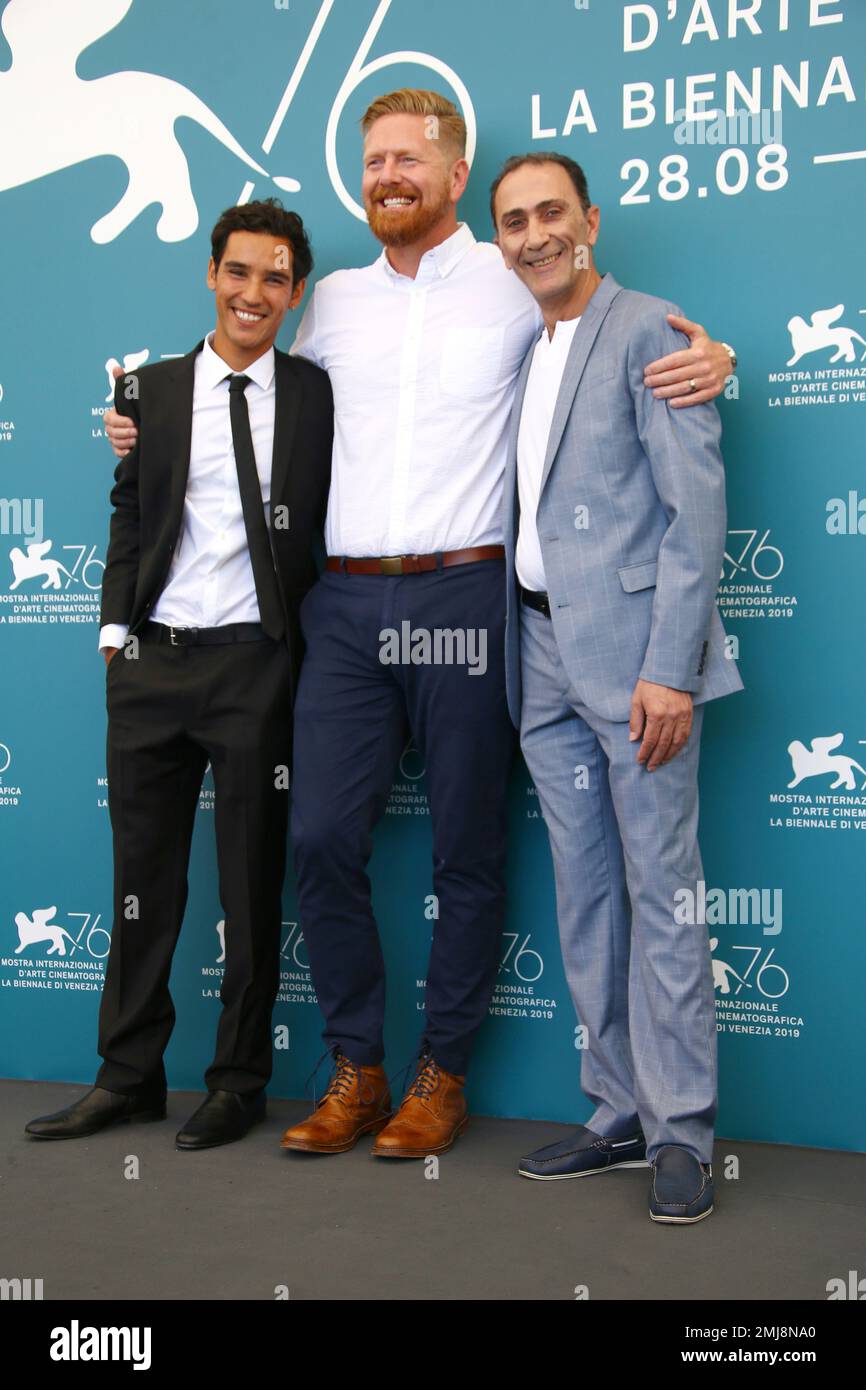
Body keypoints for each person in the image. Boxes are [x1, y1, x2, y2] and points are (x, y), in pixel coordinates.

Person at [103, 89, 736, 1162]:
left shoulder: (513, 271)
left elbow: (610, 333)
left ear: (453, 174)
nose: (386, 175)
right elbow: (242, 370)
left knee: (464, 847)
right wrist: (144, 412)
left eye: (407, 157)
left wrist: (710, 358)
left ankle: (441, 1074)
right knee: (316, 834)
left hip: (460, 597)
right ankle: (356, 1068)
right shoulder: (331, 298)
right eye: (372, 160)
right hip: (343, 608)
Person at [25, 200, 333, 1151]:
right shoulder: (149, 392)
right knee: (140, 883)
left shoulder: (317, 393)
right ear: (211, 273)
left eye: (275, 278)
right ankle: (127, 1077)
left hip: (255, 665)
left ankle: (238, 1081)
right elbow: (131, 515)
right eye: (238, 272)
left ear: (295, 291)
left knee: (249, 889)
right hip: (153, 662)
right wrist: (114, 634)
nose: (254, 293)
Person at [491, 152, 742, 1222]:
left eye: (551, 212)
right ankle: (616, 1108)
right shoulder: (512, 343)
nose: (534, 233)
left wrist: (667, 669)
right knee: (584, 893)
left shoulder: (648, 330)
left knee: (661, 893)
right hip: (535, 655)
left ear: (587, 219)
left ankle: (680, 1125)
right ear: (496, 239)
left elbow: (693, 514)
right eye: (512, 220)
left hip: (635, 662)